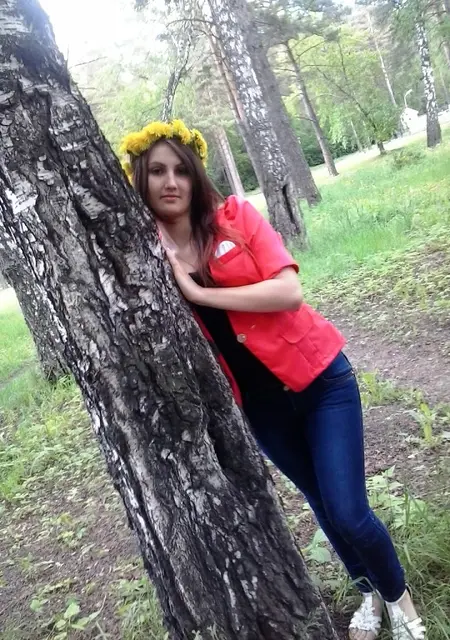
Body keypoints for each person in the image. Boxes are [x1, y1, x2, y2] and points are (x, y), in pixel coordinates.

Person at [120, 119, 426, 640]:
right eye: (157, 171)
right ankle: (368, 595)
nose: (170, 182)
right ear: (140, 178)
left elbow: (287, 292)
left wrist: (199, 293)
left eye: (180, 170)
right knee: (322, 505)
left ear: (195, 175)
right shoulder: (141, 251)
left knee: (349, 510)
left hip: (321, 382)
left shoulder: (235, 218)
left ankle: (404, 606)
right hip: (261, 407)